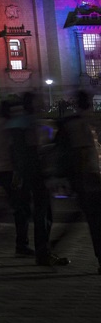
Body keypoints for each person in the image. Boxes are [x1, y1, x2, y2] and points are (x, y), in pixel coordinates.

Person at [9, 93, 66, 266]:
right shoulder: (31, 124)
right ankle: (43, 253)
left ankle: (40, 250)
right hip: (37, 174)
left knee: (36, 213)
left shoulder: (18, 123)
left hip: (27, 173)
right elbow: (34, 151)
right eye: (38, 101)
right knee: (43, 214)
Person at [53, 90, 101, 273]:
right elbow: (83, 153)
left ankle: (53, 244)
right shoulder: (81, 123)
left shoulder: (74, 121)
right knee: (95, 220)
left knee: (83, 216)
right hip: (88, 177)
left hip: (81, 177)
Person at [0, 103, 32, 256]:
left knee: (12, 205)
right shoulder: (8, 128)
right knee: (21, 208)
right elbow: (14, 149)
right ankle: (20, 243)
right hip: (9, 169)